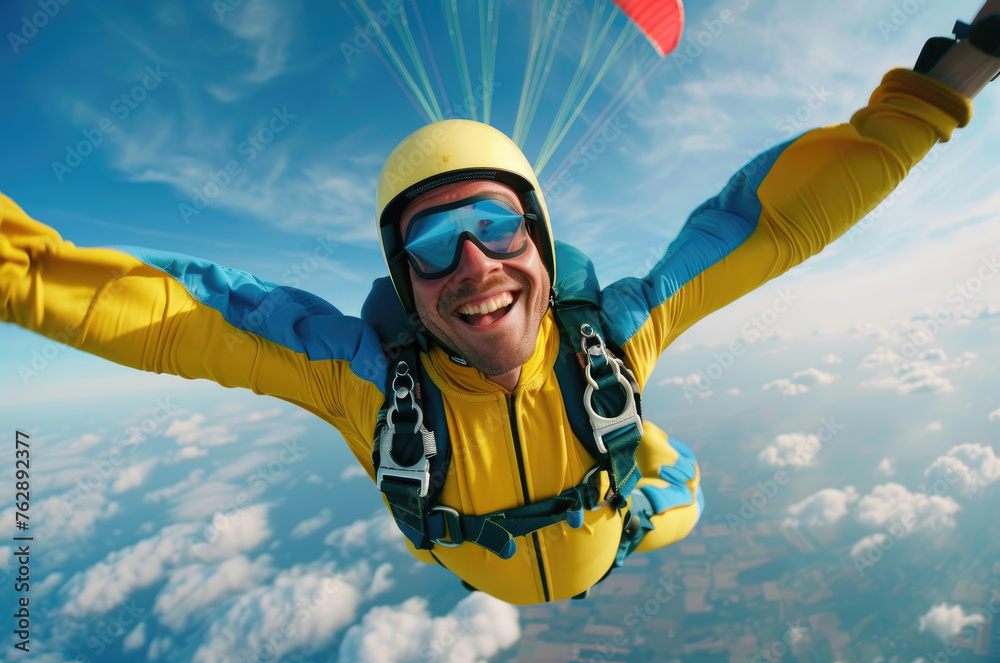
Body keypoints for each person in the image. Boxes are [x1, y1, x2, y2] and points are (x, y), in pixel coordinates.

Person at [2, 5, 998, 605]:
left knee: (674, 494)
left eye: (494, 223)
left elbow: (766, 224)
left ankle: (650, 468)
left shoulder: (616, 329)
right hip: (485, 563)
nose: (473, 264)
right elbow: (159, 312)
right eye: (432, 246)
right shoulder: (354, 377)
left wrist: (955, 75)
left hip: (629, 524)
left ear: (542, 240)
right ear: (402, 281)